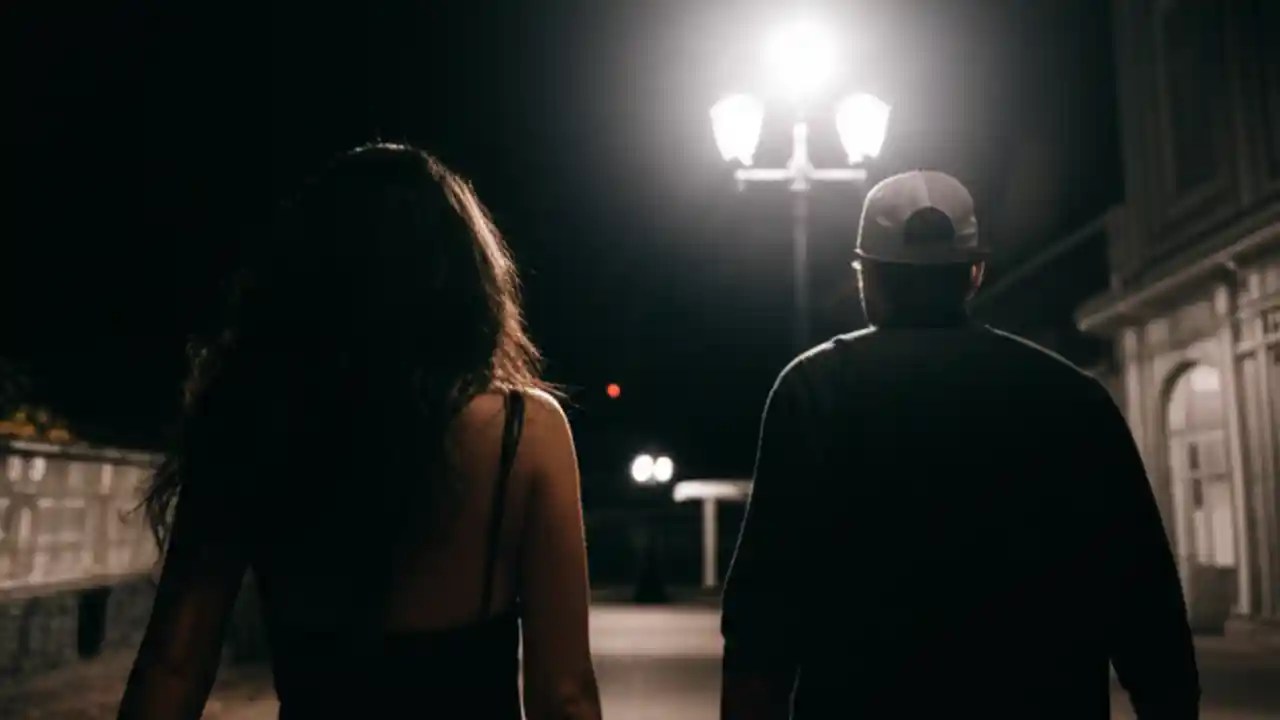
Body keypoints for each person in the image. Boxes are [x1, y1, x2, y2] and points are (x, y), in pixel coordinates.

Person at [117, 143, 602, 720]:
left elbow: (174, 664)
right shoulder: (524, 435)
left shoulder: (251, 422)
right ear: (462, 280)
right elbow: (563, 692)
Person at [719, 170, 1199, 719]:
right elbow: (1143, 595)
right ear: (975, 274)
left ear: (867, 276)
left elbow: (763, 609)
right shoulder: (1071, 396)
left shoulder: (813, 390)